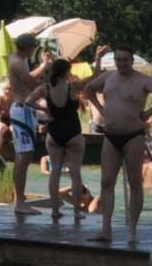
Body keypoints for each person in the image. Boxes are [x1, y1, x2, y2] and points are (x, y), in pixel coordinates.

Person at [83, 46, 152, 248]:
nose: (121, 63)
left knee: (135, 182)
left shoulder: (143, 80)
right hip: (111, 136)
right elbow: (88, 89)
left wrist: (149, 112)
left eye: (125, 59)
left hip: (133, 136)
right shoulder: (108, 78)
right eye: (118, 59)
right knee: (107, 182)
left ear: (132, 60)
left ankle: (132, 230)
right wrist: (100, 109)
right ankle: (106, 229)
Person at [40, 59, 90, 220]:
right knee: (75, 174)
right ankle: (76, 212)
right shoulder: (72, 87)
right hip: (73, 132)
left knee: (55, 173)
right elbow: (94, 76)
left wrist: (44, 109)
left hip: (54, 131)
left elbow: (27, 101)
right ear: (67, 71)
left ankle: (55, 210)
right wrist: (98, 58)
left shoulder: (46, 87)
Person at [5, 32, 46, 215]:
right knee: (23, 156)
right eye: (33, 47)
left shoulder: (19, 60)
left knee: (26, 156)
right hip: (22, 110)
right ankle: (19, 201)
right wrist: (51, 80)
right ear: (29, 47)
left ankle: (19, 200)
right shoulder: (17, 62)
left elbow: (30, 80)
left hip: (25, 110)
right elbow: (30, 83)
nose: (34, 51)